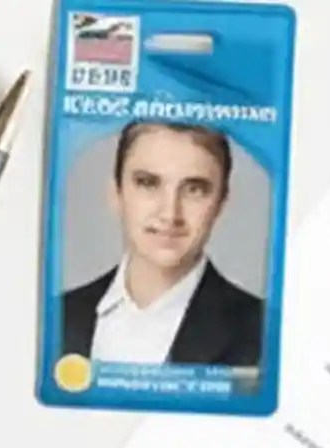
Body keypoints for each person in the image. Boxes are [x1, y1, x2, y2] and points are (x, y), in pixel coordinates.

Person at [61, 121, 263, 366]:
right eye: (148, 183)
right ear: (116, 193)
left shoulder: (263, 331)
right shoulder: (58, 315)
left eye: (194, 189)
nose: (170, 213)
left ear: (220, 203)